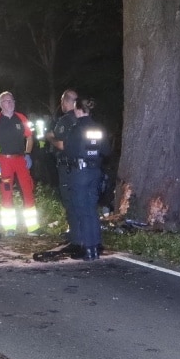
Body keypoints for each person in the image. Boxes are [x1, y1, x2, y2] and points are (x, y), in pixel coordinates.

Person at [0, 91, 40, 235]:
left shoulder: (21, 118)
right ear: (1, 104)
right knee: (6, 193)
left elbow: (30, 137)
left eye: (12, 100)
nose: (11, 103)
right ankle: (9, 227)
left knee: (28, 190)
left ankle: (33, 227)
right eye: (7, 101)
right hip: (4, 161)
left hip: (20, 160)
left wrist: (28, 154)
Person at [63, 96, 110, 260]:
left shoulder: (76, 129)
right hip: (95, 172)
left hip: (80, 173)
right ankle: (96, 246)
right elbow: (106, 151)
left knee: (82, 210)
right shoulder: (98, 128)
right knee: (91, 210)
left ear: (77, 110)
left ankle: (88, 249)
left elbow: (68, 151)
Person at [46, 89, 79, 249]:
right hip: (84, 169)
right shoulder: (84, 118)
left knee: (69, 199)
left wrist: (49, 137)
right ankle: (81, 232)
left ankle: (73, 233)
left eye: (62, 102)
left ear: (66, 102)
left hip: (67, 167)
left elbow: (60, 143)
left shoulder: (65, 120)